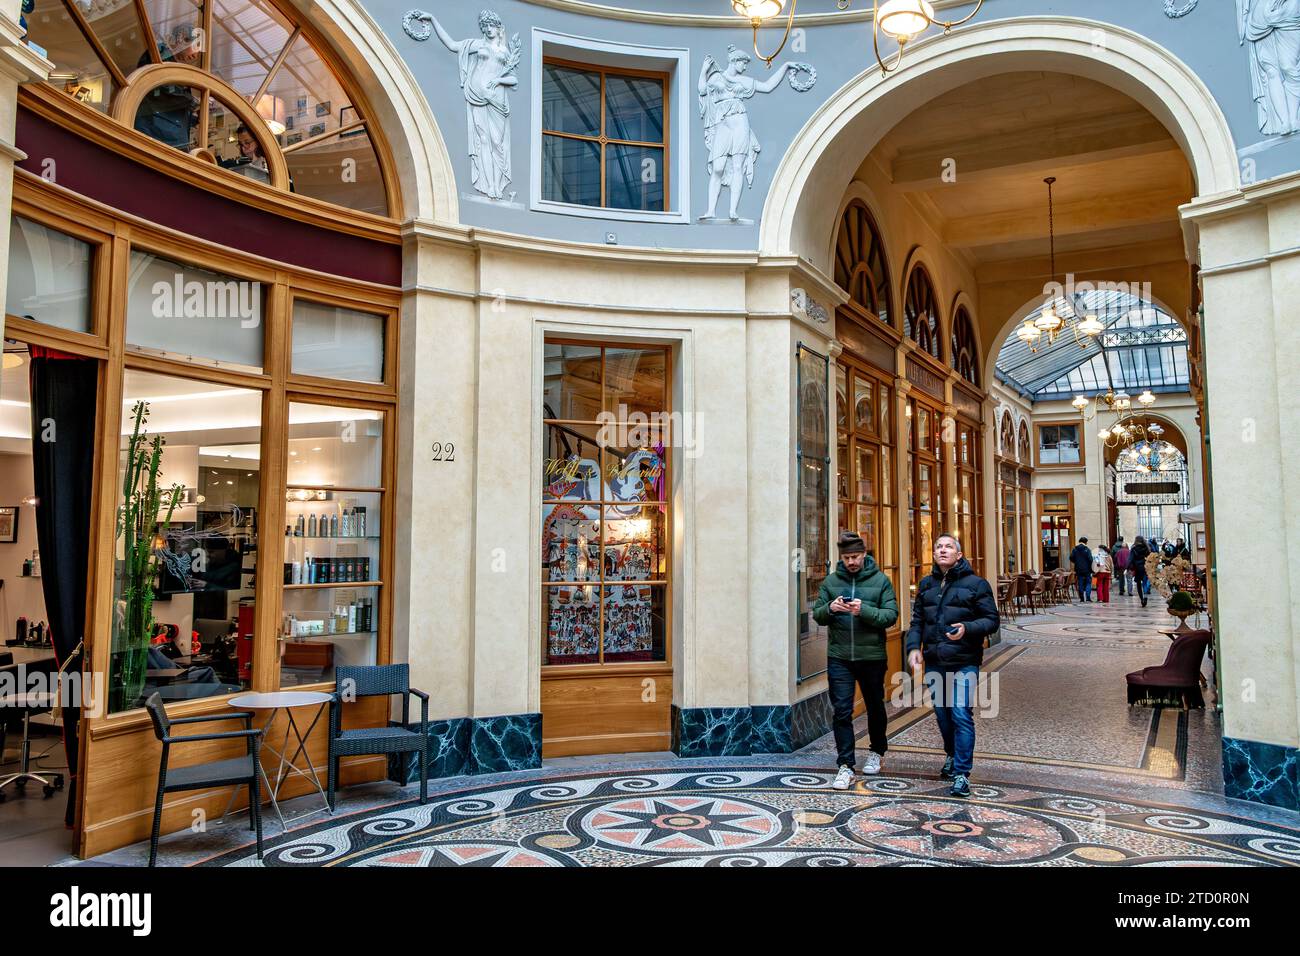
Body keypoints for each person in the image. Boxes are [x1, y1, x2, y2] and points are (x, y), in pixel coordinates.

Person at [905, 534, 999, 798]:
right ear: (933, 554)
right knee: (943, 715)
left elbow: (991, 620)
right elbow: (917, 623)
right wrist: (913, 648)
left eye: (948, 546)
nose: (942, 550)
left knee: (960, 713)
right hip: (935, 660)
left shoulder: (977, 585)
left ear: (959, 555)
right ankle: (951, 753)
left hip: (964, 661)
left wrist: (967, 628)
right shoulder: (926, 585)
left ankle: (961, 774)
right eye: (938, 546)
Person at [813, 531, 899, 790]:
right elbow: (817, 615)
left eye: (856, 556)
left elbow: (891, 615)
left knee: (875, 706)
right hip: (840, 657)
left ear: (864, 554)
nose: (851, 561)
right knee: (841, 711)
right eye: (847, 557)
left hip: (871, 656)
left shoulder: (880, 581)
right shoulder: (831, 582)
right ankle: (845, 765)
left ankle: (877, 751)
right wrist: (831, 608)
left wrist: (864, 610)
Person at [1069, 536, 1094, 602]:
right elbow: (1090, 559)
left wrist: (1076, 562)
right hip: (1087, 569)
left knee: (1080, 583)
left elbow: (1071, 557)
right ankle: (1088, 597)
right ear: (1085, 542)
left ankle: (1082, 598)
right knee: (1088, 582)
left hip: (1078, 569)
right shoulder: (1087, 549)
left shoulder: (1075, 549)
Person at [1130, 536, 1153, 607]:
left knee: (1139, 584)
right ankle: (1145, 596)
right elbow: (1150, 558)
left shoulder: (1133, 548)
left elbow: (1131, 559)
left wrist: (1130, 567)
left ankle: (1142, 599)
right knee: (1145, 583)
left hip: (1137, 568)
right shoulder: (1147, 548)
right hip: (1145, 568)